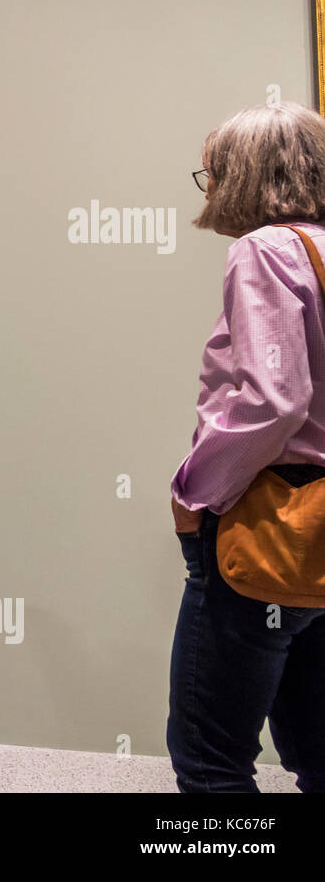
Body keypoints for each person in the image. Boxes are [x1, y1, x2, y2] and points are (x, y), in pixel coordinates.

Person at [168, 100, 325, 792]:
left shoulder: (264, 250)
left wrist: (195, 491)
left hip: (269, 525)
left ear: (247, 176)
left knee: (211, 760)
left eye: (215, 173)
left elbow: (272, 400)